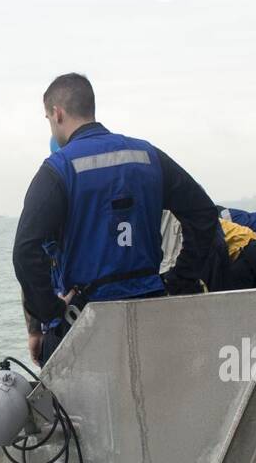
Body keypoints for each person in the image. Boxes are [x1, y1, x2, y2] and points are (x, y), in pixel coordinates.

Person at [13, 73, 219, 365]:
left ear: (57, 114)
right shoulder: (148, 156)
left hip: (85, 325)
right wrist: (180, 279)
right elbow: (203, 215)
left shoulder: (58, 169)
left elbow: (25, 251)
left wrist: (50, 312)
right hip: (153, 317)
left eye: (47, 117)